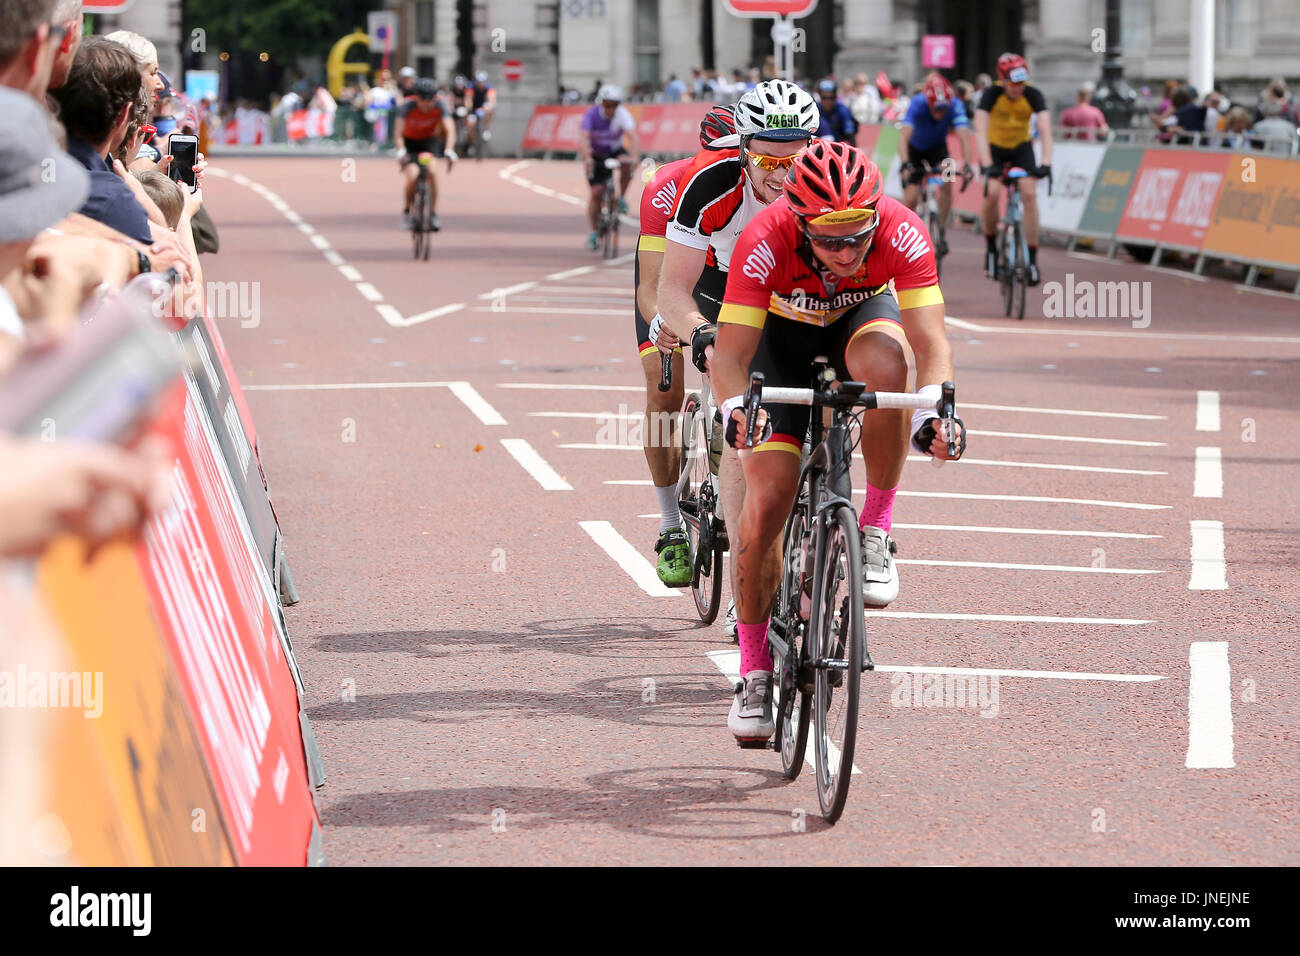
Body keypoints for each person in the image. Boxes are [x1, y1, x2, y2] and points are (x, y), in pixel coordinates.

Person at [709, 141, 963, 742]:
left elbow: (931, 342)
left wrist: (937, 412)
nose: (847, 251)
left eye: (858, 234)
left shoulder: (902, 231)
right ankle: (754, 673)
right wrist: (733, 411)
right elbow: (732, 355)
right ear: (798, 222)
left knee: (889, 361)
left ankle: (874, 528)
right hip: (780, 344)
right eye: (829, 238)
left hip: (856, 327)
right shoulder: (764, 239)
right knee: (766, 503)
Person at [658, 78, 819, 637]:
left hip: (790, 294)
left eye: (793, 160)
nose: (781, 176)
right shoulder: (711, 185)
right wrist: (700, 334)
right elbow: (670, 290)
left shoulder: (823, 184)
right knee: (739, 435)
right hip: (721, 291)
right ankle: (743, 577)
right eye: (766, 161)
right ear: (743, 149)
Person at [634, 105, 737, 587]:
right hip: (678, 283)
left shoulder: (771, 180)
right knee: (663, 392)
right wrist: (663, 325)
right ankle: (671, 525)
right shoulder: (667, 186)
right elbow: (651, 283)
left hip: (734, 279)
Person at [974, 52, 1052, 285]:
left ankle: (1032, 260)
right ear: (1003, 80)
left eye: (1021, 82)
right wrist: (987, 165)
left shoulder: (1033, 94)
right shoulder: (991, 95)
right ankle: (991, 249)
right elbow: (979, 130)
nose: (1018, 88)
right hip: (994, 150)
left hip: (1021, 148)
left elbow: (1046, 131)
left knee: (1029, 195)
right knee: (992, 194)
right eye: (1013, 83)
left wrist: (1046, 163)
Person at [898, 74, 974, 256]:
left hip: (939, 150)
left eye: (943, 110)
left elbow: (964, 138)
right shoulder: (917, 103)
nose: (940, 113)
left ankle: (941, 230)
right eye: (936, 110)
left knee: (948, 179)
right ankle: (903, 237)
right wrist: (905, 163)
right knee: (911, 198)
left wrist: (968, 165)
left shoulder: (955, 104)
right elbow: (903, 137)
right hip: (914, 149)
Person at [578, 85, 639, 251]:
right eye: (607, 105)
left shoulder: (622, 115)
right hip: (596, 155)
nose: (611, 109)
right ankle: (592, 232)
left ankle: (621, 198)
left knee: (627, 163)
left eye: (614, 105)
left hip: (614, 151)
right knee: (596, 193)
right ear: (601, 103)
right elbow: (583, 138)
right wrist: (588, 158)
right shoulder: (591, 115)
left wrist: (635, 157)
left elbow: (632, 136)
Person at [394, 77, 456, 231]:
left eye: (430, 100)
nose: (427, 104)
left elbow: (450, 130)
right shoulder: (407, 107)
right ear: (416, 97)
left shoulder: (440, 105)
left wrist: (449, 150)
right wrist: (401, 150)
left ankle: (433, 214)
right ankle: (407, 211)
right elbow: (397, 133)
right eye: (423, 100)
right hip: (410, 143)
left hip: (429, 142)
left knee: (432, 173)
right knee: (413, 176)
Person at [815, 78, 857, 144]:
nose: (828, 101)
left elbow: (851, 136)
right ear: (820, 96)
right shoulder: (814, 110)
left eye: (831, 98)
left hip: (837, 148)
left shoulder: (842, 110)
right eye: (824, 98)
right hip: (817, 148)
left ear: (835, 96)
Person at [467, 70, 496, 148]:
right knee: (470, 124)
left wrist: (490, 105)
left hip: (483, 107)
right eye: (478, 81)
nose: (480, 83)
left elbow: (492, 99)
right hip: (473, 108)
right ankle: (472, 143)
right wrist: (469, 107)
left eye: (482, 81)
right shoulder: (471, 87)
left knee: (489, 110)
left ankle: (486, 129)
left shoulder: (489, 87)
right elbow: (468, 99)